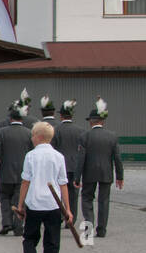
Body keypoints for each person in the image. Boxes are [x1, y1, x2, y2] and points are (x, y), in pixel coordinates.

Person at [16, 122, 70, 253]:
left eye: (32, 135)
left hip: (34, 203)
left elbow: (26, 181)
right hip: (53, 204)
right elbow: (63, 184)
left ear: (38, 137)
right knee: (52, 242)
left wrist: (20, 205)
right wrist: (67, 208)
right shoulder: (59, 157)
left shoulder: (31, 156)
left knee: (30, 238)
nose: (31, 138)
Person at [81, 98, 124, 238]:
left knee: (87, 199)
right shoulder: (112, 136)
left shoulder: (85, 136)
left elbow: (80, 158)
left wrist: (76, 177)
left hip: (89, 172)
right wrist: (120, 176)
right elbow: (117, 158)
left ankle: (88, 229)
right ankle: (102, 230)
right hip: (106, 172)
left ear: (90, 122)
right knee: (104, 200)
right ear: (102, 121)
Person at [0, 99, 33, 236]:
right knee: (19, 198)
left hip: (6, 171)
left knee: (4, 197)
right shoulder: (28, 133)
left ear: (10, 118)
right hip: (23, 172)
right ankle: (18, 226)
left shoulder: (2, 132)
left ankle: (7, 222)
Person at [53, 100, 87, 223]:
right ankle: (72, 217)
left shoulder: (56, 130)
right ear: (71, 116)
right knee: (73, 195)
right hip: (75, 166)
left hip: (60, 166)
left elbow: (53, 148)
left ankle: (62, 214)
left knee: (60, 193)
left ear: (61, 116)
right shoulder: (81, 130)